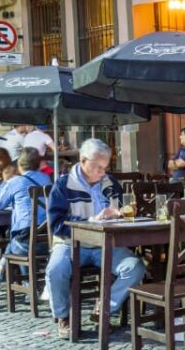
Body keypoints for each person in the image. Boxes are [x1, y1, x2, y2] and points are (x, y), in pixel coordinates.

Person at [45, 138, 145, 339]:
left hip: (105, 244)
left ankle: (104, 309)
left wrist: (122, 215)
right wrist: (92, 220)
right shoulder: (63, 184)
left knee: (135, 267)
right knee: (55, 270)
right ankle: (63, 317)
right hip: (71, 243)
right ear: (83, 160)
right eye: (98, 167)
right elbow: (56, 224)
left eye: (105, 167)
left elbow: (122, 213)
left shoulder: (111, 183)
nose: (102, 172)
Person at [0, 148, 53, 283]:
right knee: (17, 239)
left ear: (19, 165)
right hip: (48, 240)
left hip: (25, 243)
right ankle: (23, 283)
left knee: (15, 243)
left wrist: (5, 181)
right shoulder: (46, 179)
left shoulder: (15, 181)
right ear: (38, 164)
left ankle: (4, 272)